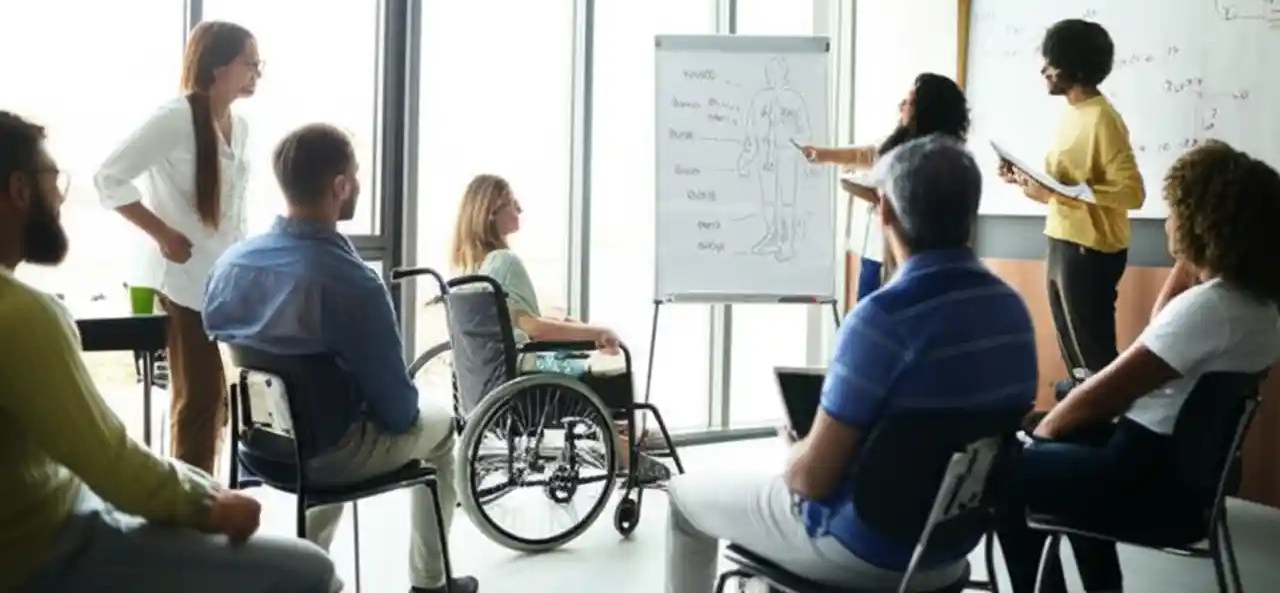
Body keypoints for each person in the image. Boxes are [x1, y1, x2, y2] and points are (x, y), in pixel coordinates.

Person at [664, 135, 1038, 593]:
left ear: (883, 212)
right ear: (971, 214)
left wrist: (795, 450)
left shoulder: (882, 322)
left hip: (861, 548)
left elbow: (810, 481)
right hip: (951, 550)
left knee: (684, 497)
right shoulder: (1013, 313)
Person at [0, 111, 335, 593]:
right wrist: (209, 502)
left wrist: (193, 488)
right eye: (54, 181)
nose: (59, 198)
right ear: (18, 189)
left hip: (59, 513)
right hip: (43, 548)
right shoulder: (22, 317)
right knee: (311, 571)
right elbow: (110, 462)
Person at [997, 140, 1280, 593]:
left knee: (1004, 472)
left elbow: (1109, 391)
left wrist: (1042, 433)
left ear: (1198, 221)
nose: (1168, 221)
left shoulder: (1211, 310)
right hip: (1187, 482)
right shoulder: (1259, 308)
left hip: (1142, 482)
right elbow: (1163, 325)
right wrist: (1194, 255)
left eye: (1174, 212)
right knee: (1067, 436)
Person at [203, 124, 476, 593]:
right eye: (355, 175)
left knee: (324, 417)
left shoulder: (233, 264)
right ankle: (430, 584)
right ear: (340, 185)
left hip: (261, 449)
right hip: (327, 453)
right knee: (439, 428)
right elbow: (398, 409)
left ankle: (312, 570)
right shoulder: (351, 283)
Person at [93, 20, 260, 474]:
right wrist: (162, 234)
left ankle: (203, 499)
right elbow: (108, 178)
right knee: (200, 399)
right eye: (250, 62)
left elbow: (235, 213)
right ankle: (191, 517)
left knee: (216, 401)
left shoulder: (238, 127)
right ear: (218, 66)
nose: (257, 72)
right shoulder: (173, 119)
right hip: (181, 283)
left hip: (222, 280)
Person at [450, 173, 669, 481]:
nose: (520, 210)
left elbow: (519, 322)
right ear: (491, 212)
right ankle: (623, 448)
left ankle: (619, 438)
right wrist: (597, 332)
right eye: (513, 203)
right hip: (526, 383)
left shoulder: (473, 272)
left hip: (488, 386)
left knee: (587, 358)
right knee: (614, 370)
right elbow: (535, 328)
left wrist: (570, 324)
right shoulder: (505, 261)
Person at [997, 19, 1145, 385]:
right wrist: (1026, 183)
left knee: (1093, 356)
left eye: (1051, 63)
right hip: (1062, 238)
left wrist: (1062, 195)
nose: (1044, 70)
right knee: (1075, 358)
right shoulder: (1071, 113)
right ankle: (1084, 426)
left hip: (1090, 250)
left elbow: (1132, 193)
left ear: (1073, 69)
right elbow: (1061, 189)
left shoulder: (1103, 120)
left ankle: (1104, 429)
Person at [798, 72, 970, 297]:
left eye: (908, 102)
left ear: (925, 112)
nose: (901, 106)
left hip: (909, 262)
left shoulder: (938, 161)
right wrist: (822, 155)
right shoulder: (900, 143)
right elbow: (866, 155)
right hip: (878, 254)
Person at [736, 56, 812, 262]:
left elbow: (805, 131)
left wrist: (804, 155)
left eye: (777, 71)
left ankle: (787, 241)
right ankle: (773, 234)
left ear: (784, 73)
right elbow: (751, 131)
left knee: (787, 201)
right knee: (768, 200)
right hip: (765, 157)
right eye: (770, 71)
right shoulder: (759, 99)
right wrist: (747, 156)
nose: (773, 76)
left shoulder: (794, 100)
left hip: (787, 155)